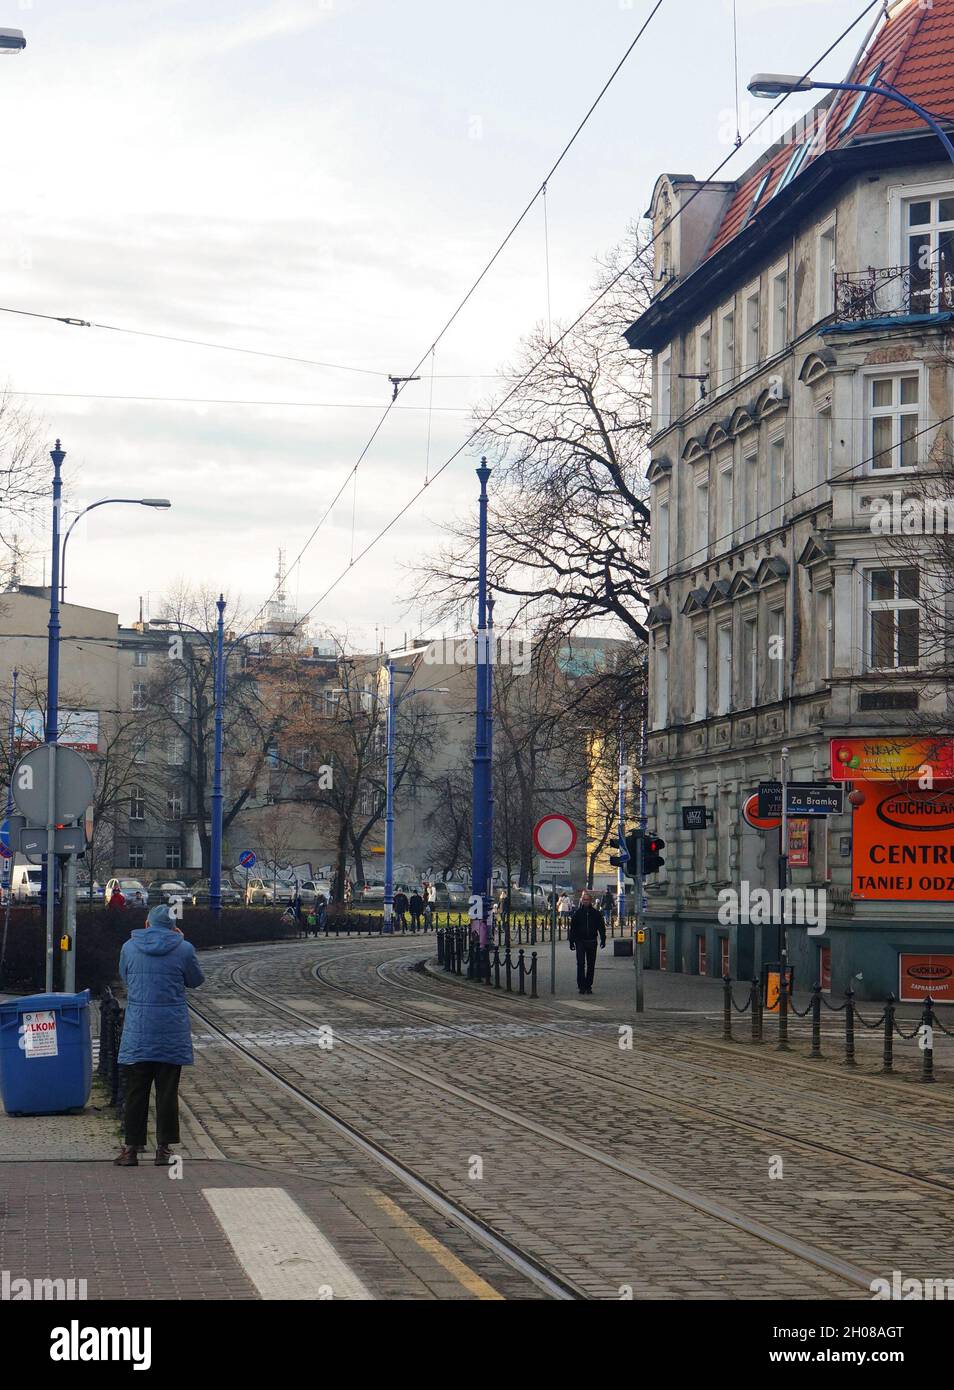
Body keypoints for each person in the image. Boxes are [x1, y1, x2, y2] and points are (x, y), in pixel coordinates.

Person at [114, 903, 204, 1167]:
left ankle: (131, 1149)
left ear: (147, 924)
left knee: (136, 1091)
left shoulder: (129, 947)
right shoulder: (184, 949)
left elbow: (125, 976)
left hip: (139, 1029)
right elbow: (196, 980)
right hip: (170, 1031)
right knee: (167, 1092)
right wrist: (181, 942)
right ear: (173, 927)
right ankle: (163, 1149)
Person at [568, 889, 606, 996]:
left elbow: (601, 927)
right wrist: (571, 941)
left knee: (591, 965)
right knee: (580, 964)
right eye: (584, 900)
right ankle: (581, 986)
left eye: (587, 900)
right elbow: (573, 928)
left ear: (591, 901)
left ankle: (588, 985)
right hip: (580, 941)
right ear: (581, 901)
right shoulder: (577, 914)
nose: (585, 902)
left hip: (592, 941)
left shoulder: (596, 914)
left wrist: (603, 939)